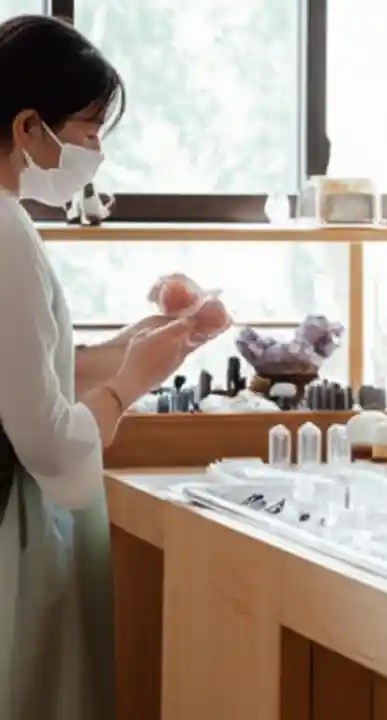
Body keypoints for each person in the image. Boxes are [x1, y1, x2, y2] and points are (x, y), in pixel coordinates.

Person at [0, 15, 224, 719]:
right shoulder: (6, 231)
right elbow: (45, 438)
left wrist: (146, 341)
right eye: (90, 132)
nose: (95, 154)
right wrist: (130, 384)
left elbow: (29, 370)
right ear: (28, 126)